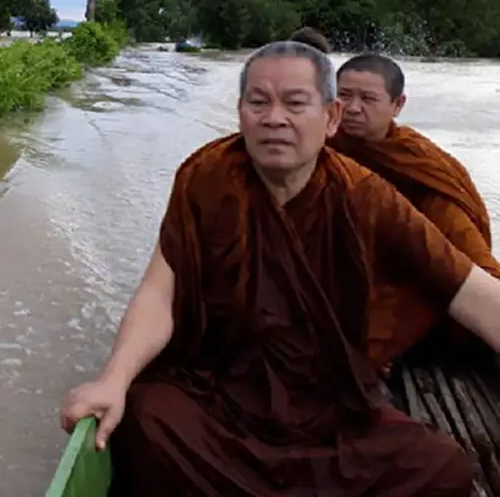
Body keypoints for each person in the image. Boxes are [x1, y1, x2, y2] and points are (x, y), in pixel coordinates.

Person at [59, 40, 500, 496]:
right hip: (221, 397)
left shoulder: (364, 195)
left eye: (295, 103)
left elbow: (471, 291)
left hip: (327, 409)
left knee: (441, 468)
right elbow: (159, 293)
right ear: (240, 111)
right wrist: (112, 379)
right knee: (146, 416)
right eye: (259, 102)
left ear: (330, 118)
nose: (274, 118)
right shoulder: (207, 177)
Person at [330, 52, 500, 364]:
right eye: (343, 95)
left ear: (397, 105)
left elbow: (470, 257)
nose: (353, 109)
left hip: (400, 290)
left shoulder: (419, 165)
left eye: (368, 99)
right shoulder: (314, 146)